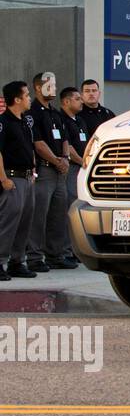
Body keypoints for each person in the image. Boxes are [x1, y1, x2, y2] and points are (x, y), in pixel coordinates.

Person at [25, 73, 76, 271]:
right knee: (39, 215)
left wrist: (64, 158)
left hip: (60, 172)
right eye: (49, 85)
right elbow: (37, 143)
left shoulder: (55, 113)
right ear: (38, 88)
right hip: (45, 171)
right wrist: (55, 160)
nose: (54, 88)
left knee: (58, 214)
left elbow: (64, 139)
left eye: (55, 84)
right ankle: (35, 257)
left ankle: (55, 255)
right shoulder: (33, 113)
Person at [0, 82, 40, 280]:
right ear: (16, 99)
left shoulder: (24, 121)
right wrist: (3, 179)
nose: (29, 98)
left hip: (26, 178)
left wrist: (33, 171)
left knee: (25, 222)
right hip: (12, 178)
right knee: (8, 223)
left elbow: (29, 148)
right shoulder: (4, 122)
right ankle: (0, 262)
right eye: (26, 94)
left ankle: (17, 262)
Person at [58, 87, 88, 266]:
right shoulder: (62, 120)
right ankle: (66, 250)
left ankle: (77, 249)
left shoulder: (80, 121)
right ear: (66, 101)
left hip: (82, 169)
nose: (81, 101)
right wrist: (83, 161)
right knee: (69, 206)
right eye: (77, 98)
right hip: (73, 169)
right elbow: (68, 147)